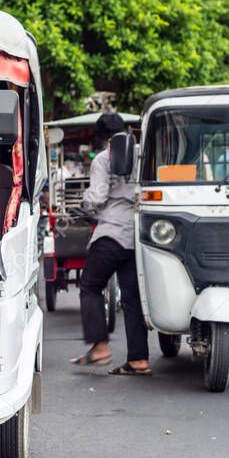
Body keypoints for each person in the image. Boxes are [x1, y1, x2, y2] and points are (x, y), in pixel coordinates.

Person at [70, 113, 150, 375]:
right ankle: (139, 359)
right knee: (132, 298)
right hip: (138, 234)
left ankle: (101, 347)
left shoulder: (104, 158)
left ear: (103, 138)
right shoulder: (142, 154)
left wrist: (83, 204)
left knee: (89, 285)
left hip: (112, 232)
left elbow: (97, 197)